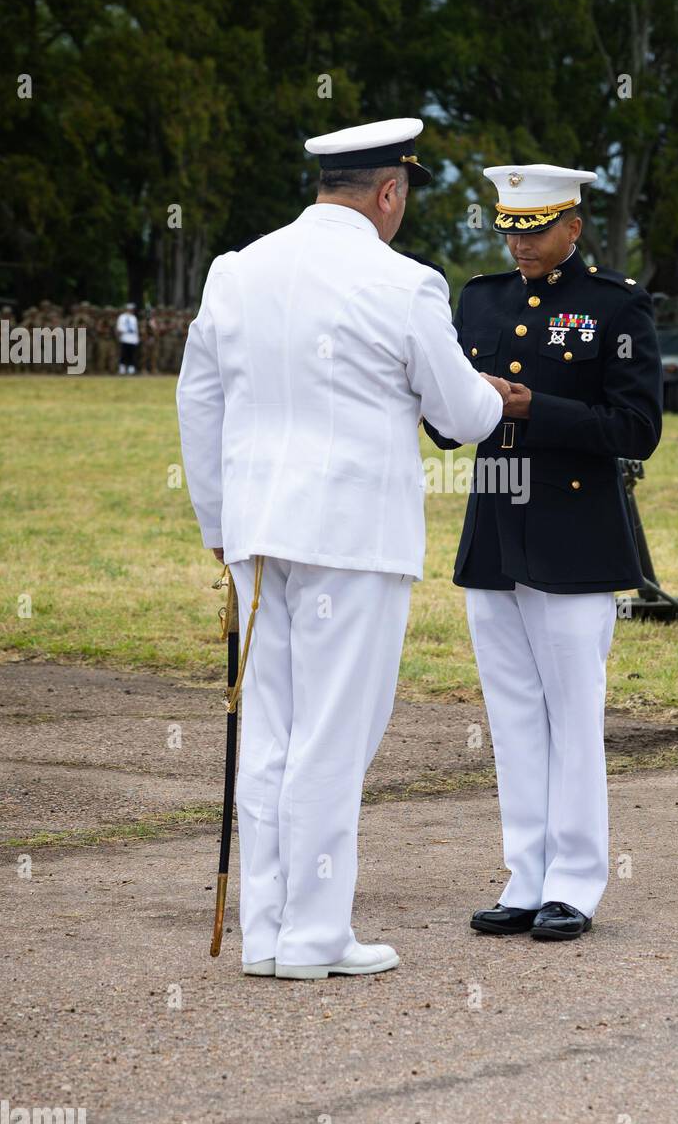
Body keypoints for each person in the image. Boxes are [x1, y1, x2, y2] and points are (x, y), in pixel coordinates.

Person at [176, 118, 508, 980]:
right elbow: (462, 415)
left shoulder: (236, 271)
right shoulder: (405, 283)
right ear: (389, 192)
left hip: (257, 534)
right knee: (333, 735)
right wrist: (494, 395)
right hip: (353, 540)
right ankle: (315, 937)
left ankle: (269, 932)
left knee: (272, 733)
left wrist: (220, 526)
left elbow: (198, 404)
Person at [423, 164, 662, 941]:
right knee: (514, 715)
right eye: (510, 228)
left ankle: (575, 883)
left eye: (535, 227)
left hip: (576, 534)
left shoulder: (614, 305)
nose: (520, 242)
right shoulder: (480, 298)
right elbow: (447, 413)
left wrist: (540, 409)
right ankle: (525, 875)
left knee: (573, 715)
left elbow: (635, 429)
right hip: (496, 529)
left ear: (573, 226)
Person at [116, 302, 140, 374]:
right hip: (124, 338)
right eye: (130, 309)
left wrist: (137, 338)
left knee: (132, 354)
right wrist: (121, 333)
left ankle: (131, 369)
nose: (131, 310)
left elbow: (136, 329)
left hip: (132, 339)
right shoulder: (122, 317)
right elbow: (119, 327)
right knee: (124, 354)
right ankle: (122, 369)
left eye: (132, 309)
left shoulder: (134, 318)